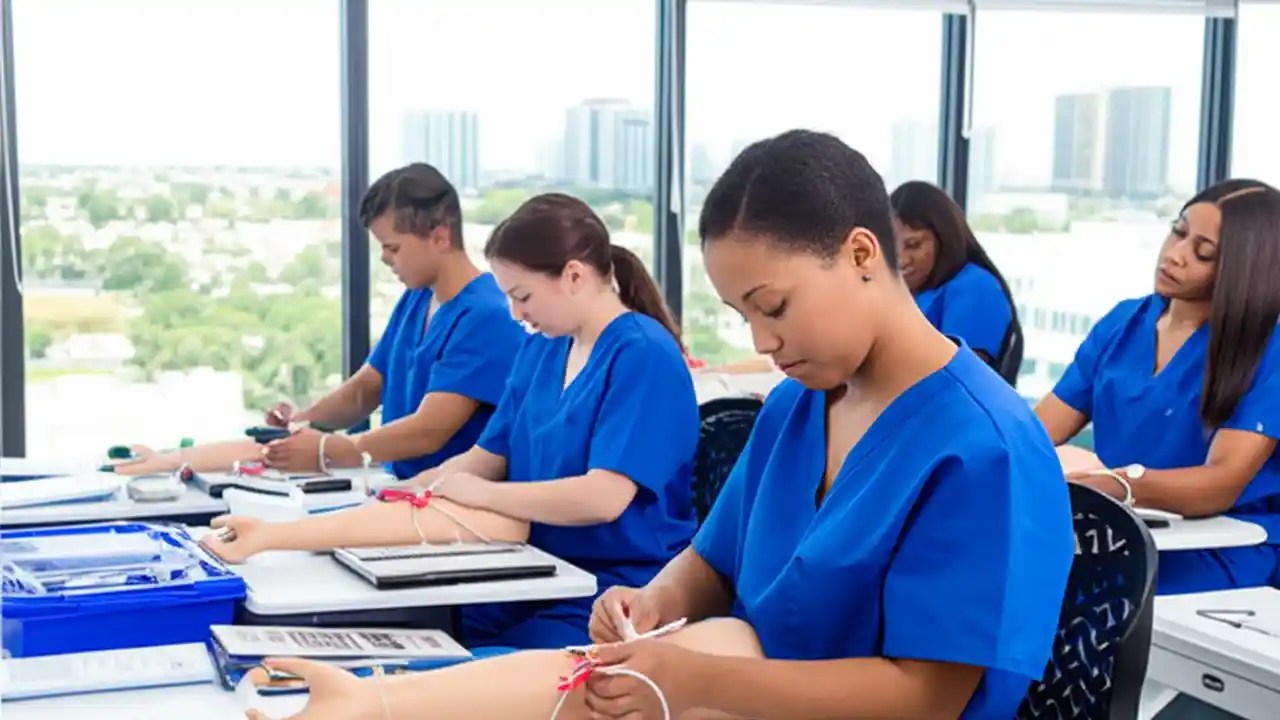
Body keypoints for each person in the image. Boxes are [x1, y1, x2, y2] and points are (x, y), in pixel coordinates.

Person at [242, 131, 1073, 720]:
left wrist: (696, 678)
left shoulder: (983, 448)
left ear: (862, 256)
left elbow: (926, 698)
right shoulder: (799, 405)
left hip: (768, 693)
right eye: (742, 315)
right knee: (592, 682)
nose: (763, 343)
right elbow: (713, 560)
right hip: (734, 677)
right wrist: (653, 601)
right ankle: (377, 701)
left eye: (775, 308)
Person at [207, 192, 699, 651]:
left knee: (456, 671)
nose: (514, 312)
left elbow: (602, 498)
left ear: (573, 276)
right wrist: (419, 489)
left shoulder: (642, 355)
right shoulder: (544, 348)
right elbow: (488, 455)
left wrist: (478, 495)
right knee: (399, 634)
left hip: (611, 594)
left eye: (523, 296)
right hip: (527, 573)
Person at [109, 163, 526, 482]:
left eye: (393, 247)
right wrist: (302, 424)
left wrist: (327, 448)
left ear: (439, 235)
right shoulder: (418, 299)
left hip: (446, 504)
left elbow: (427, 431)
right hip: (401, 490)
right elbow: (366, 388)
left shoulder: (486, 316)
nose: (384, 259)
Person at [1036, 179, 1280, 595]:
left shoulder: (1268, 348)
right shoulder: (1124, 323)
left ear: (1243, 268)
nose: (1174, 255)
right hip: (1122, 533)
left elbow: (1221, 484)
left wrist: (1121, 485)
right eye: (1178, 231)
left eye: (1203, 253)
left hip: (1218, 548)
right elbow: (1033, 433)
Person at [890, 180, 1022, 383]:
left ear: (944, 238)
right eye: (891, 246)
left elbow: (958, 382)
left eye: (914, 245)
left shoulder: (975, 288)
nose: (901, 259)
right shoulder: (906, 290)